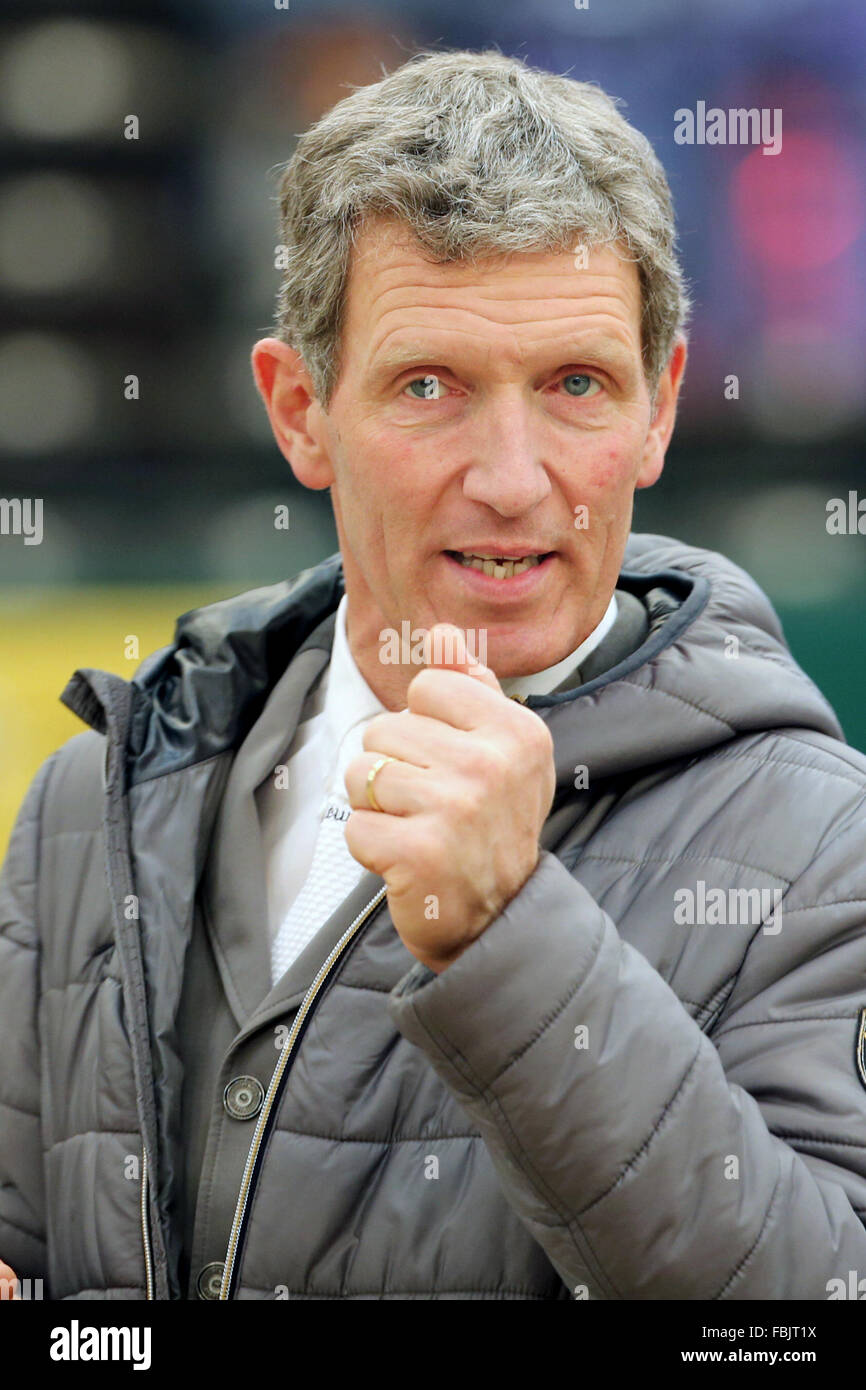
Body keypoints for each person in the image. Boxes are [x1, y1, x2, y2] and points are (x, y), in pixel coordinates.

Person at [2, 47, 866, 1303]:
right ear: (298, 409)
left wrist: (509, 940)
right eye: (430, 386)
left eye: (574, 385)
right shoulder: (87, 804)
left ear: (660, 407)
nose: (512, 478)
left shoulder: (821, 842)